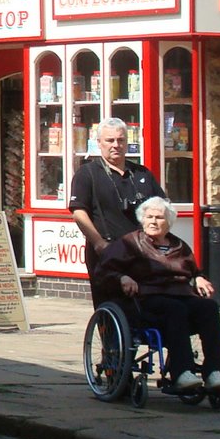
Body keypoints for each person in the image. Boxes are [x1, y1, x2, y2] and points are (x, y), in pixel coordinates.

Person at [94, 196, 220, 393]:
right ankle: (181, 373)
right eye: (149, 217)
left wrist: (199, 277)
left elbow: (192, 269)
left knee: (208, 307)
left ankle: (214, 372)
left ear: (169, 222)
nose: (153, 221)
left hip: (181, 295)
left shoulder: (179, 246)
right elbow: (103, 271)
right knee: (175, 309)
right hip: (146, 299)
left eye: (159, 218)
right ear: (142, 219)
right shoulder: (129, 242)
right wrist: (122, 277)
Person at [70, 117, 164, 305]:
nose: (116, 145)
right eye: (110, 140)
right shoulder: (87, 174)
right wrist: (98, 243)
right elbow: (79, 212)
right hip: (108, 251)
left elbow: (162, 208)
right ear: (99, 143)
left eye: (120, 140)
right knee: (113, 305)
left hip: (142, 251)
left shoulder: (141, 173)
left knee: (151, 305)